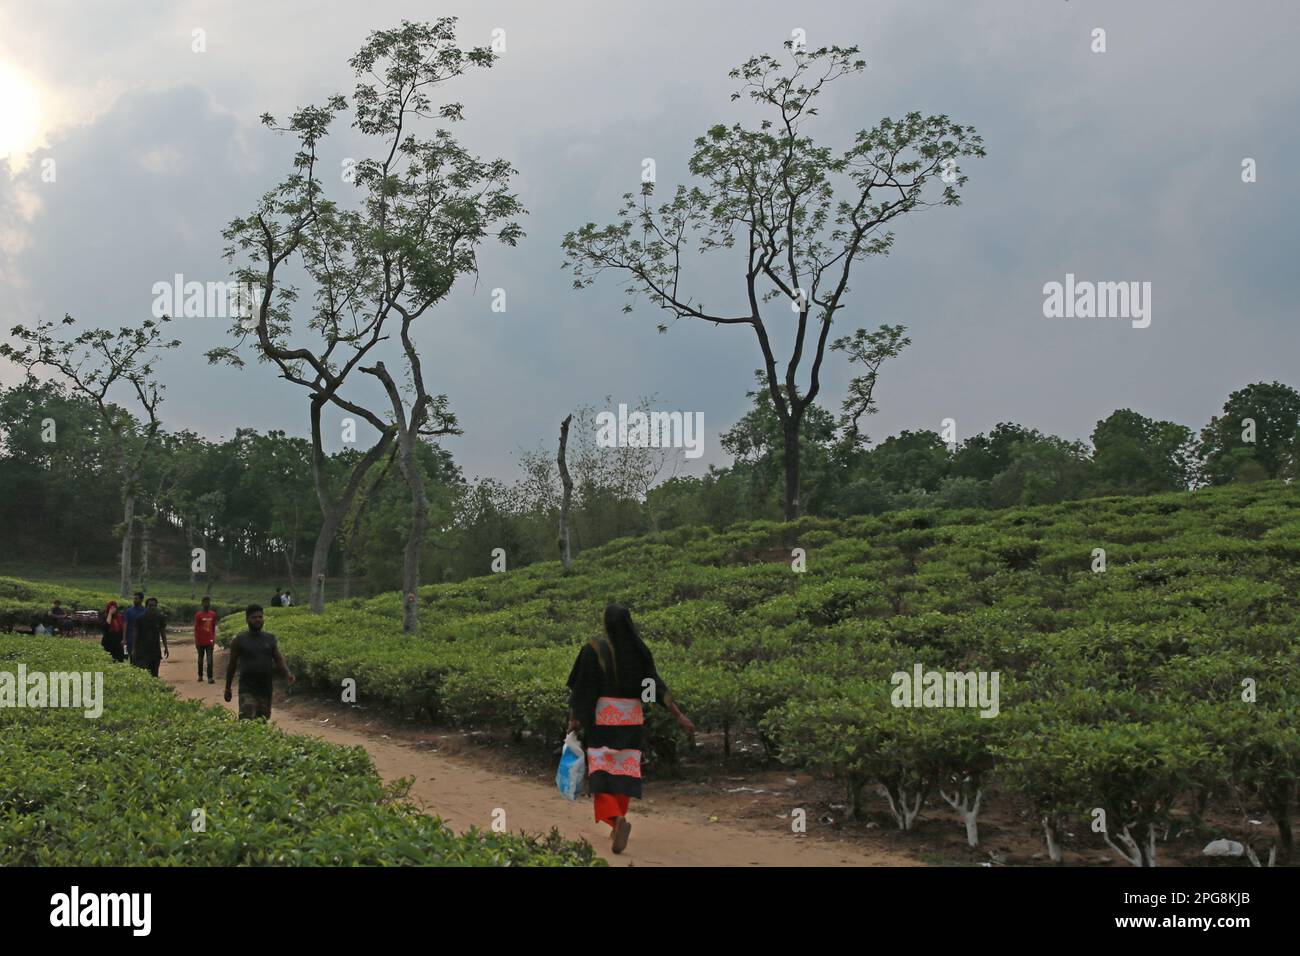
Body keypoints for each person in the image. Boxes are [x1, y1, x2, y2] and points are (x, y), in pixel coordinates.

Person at [566, 603, 694, 855]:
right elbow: (653, 686)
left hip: (603, 721)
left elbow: (582, 689)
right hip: (631, 721)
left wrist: (575, 718)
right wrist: (678, 715)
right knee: (623, 773)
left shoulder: (594, 650)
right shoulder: (639, 651)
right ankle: (618, 825)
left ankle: (615, 820)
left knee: (601, 775)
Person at [224, 604, 294, 720]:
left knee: (262, 723)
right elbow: (232, 664)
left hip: (265, 689)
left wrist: (287, 674)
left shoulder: (270, 639)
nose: (258, 620)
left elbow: (278, 659)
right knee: (246, 720)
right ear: (247, 620)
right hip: (247, 688)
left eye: (260, 617)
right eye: (254, 617)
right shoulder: (239, 640)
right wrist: (227, 687)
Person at [130, 597, 169, 677]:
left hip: (155, 651)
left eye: (154, 605)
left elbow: (163, 633)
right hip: (142, 651)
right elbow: (135, 635)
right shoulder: (140, 619)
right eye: (150, 605)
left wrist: (166, 647)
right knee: (144, 674)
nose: (152, 607)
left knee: (155, 674)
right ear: (146, 606)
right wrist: (134, 649)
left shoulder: (160, 618)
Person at [194, 595, 217, 683]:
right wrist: (196, 641)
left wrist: (213, 639)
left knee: (210, 660)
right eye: (205, 602)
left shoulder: (213, 614)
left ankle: (210, 677)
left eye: (208, 602)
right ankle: (200, 675)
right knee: (200, 660)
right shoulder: (198, 615)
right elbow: (196, 629)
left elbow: (213, 628)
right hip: (200, 641)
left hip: (209, 641)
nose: (207, 604)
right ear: (202, 604)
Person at [122, 592, 146, 660]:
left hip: (142, 639)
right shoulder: (129, 611)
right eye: (134, 599)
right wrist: (124, 639)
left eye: (136, 599)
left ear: (141, 600)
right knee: (130, 656)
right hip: (130, 639)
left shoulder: (145, 611)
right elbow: (125, 625)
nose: (134, 600)